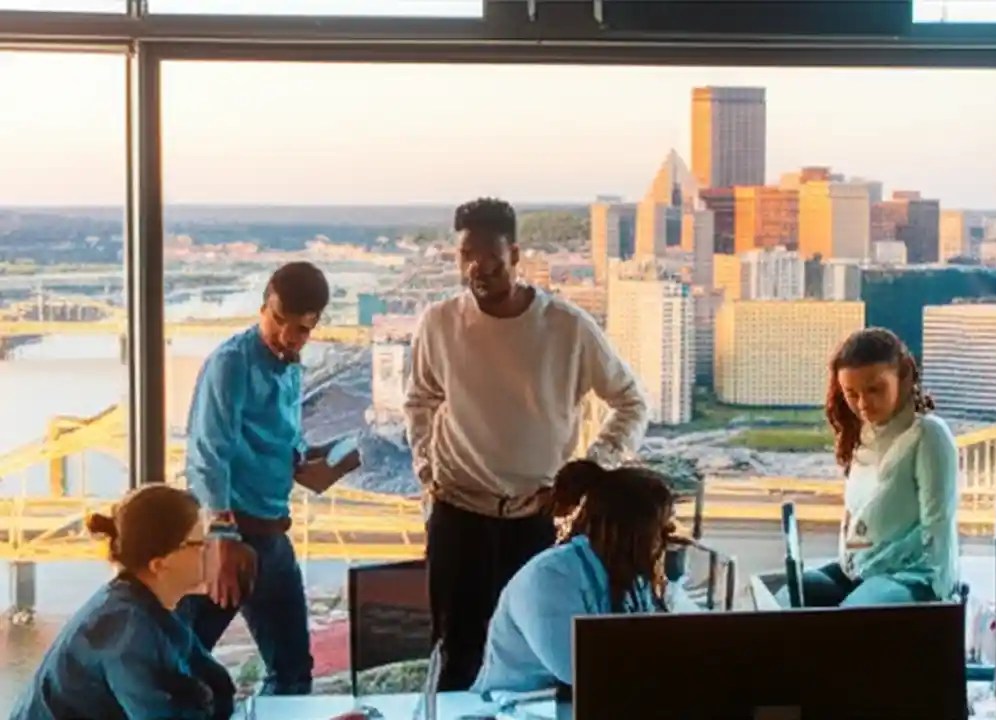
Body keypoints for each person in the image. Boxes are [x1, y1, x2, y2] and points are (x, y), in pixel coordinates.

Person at [404, 197, 648, 690]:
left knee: (537, 660)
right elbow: (419, 401)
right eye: (466, 256)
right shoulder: (439, 322)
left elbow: (631, 402)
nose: (478, 269)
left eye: (491, 258)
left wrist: (590, 471)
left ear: (514, 255)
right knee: (455, 656)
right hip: (457, 515)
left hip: (534, 520)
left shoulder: (567, 327)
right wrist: (427, 468)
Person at [177, 261, 346, 696]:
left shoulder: (290, 365)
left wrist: (302, 461)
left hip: (272, 533)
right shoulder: (231, 363)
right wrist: (221, 539)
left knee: (294, 674)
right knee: (179, 669)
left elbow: (278, 435)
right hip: (230, 534)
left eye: (302, 329)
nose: (287, 336)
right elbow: (207, 455)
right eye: (278, 320)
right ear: (263, 307)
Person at [10, 485, 236, 720]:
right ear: (159, 564)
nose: (213, 550)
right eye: (201, 543)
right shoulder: (127, 631)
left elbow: (215, 686)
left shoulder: (152, 606)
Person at [786, 327, 959, 608]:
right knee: (784, 596)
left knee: (853, 614)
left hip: (913, 576)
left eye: (874, 389)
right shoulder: (863, 436)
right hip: (860, 571)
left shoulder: (928, 435)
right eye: (851, 393)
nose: (863, 404)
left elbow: (936, 528)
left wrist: (870, 567)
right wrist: (851, 565)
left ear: (904, 376)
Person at [471, 459, 674, 694]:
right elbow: (580, 669)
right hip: (520, 704)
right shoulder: (549, 577)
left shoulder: (632, 578)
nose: (668, 537)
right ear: (627, 531)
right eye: (661, 528)